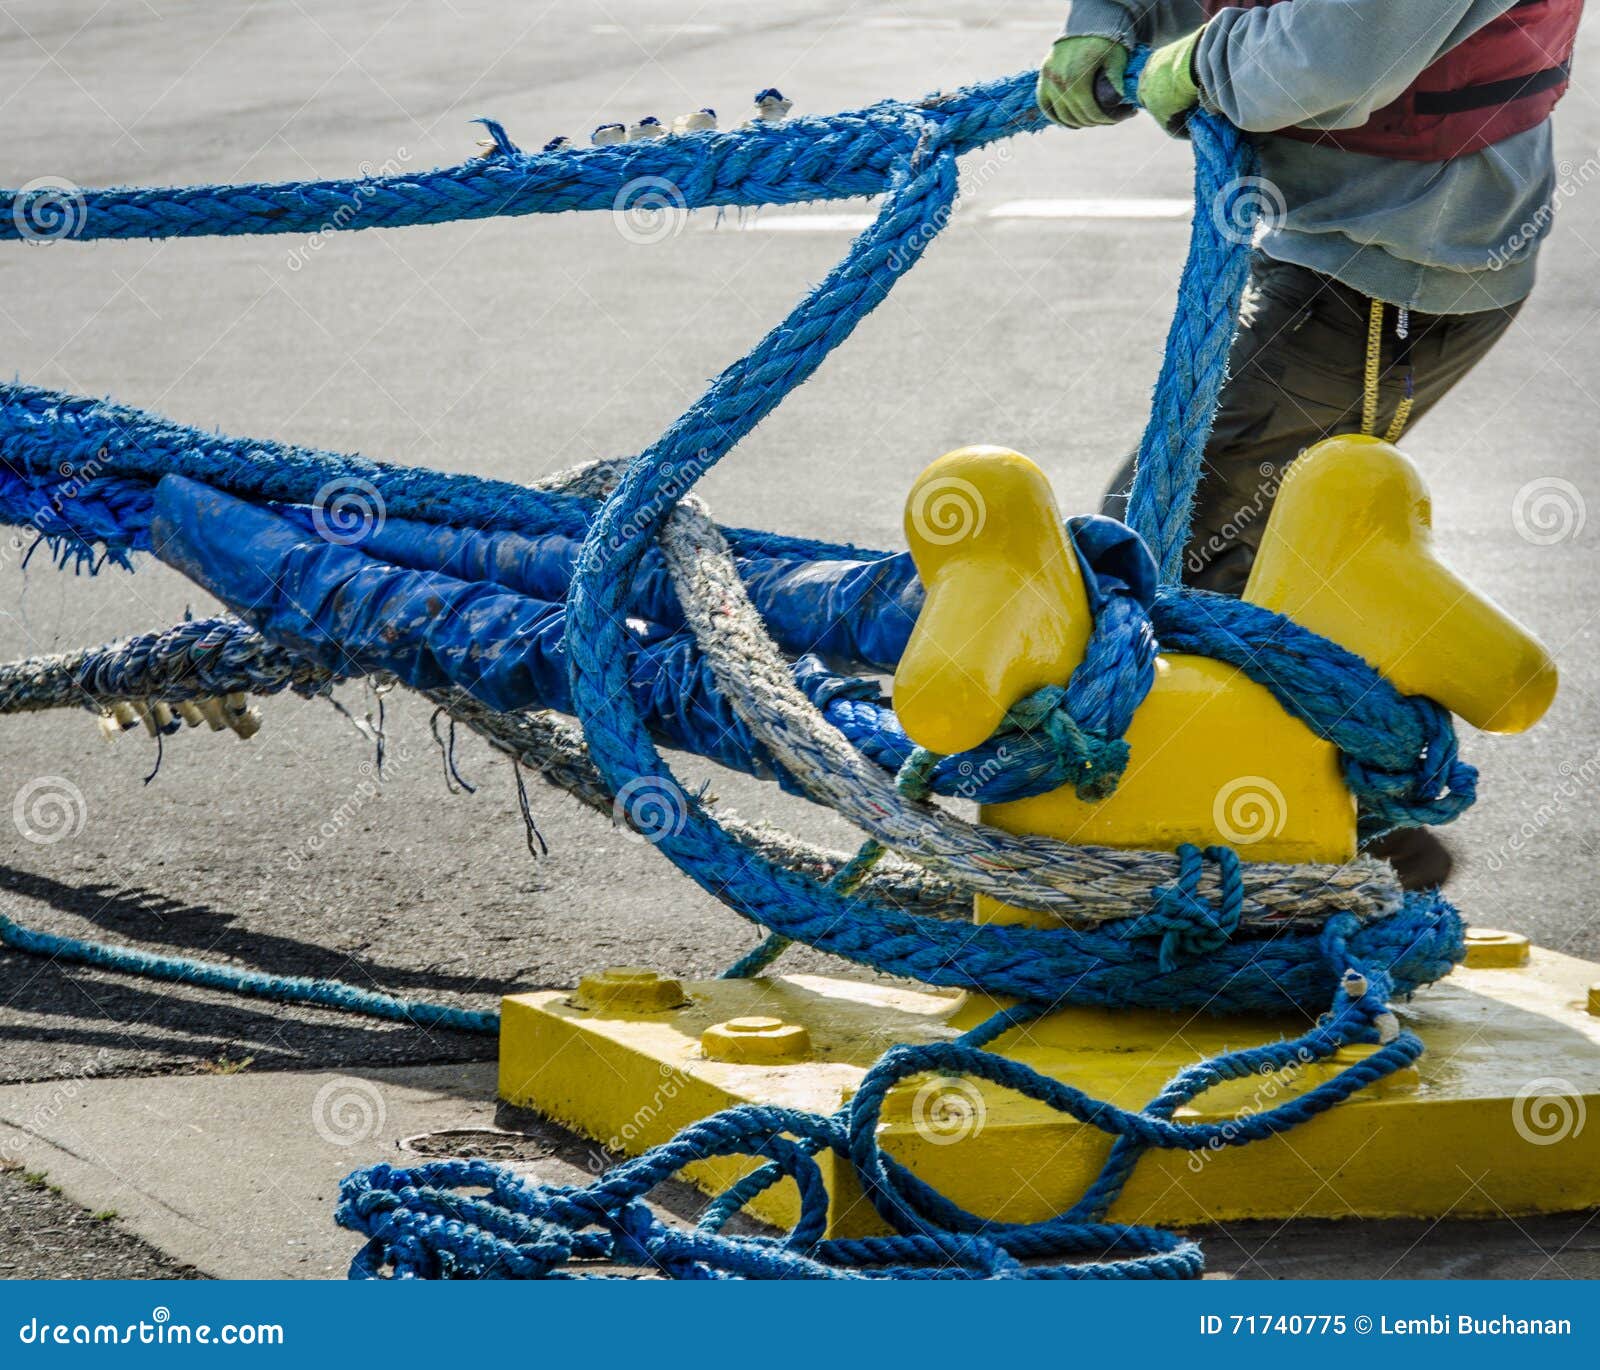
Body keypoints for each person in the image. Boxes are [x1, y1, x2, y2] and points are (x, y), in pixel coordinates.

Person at [1037, 0, 1584, 887]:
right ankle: (1317, 829)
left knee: (1160, 548)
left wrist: (1197, 64)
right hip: (1342, 237)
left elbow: (1335, 51)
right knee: (1199, 542)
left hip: (1395, 268)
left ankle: (1314, 838)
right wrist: (1115, 15)